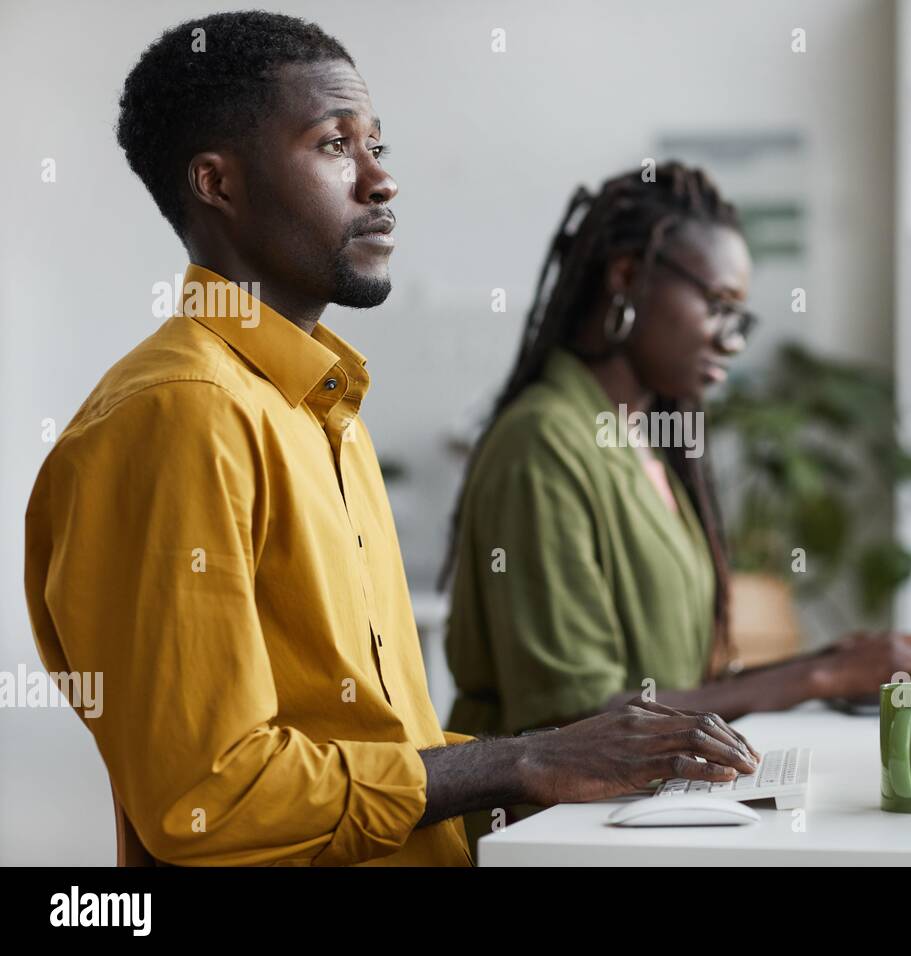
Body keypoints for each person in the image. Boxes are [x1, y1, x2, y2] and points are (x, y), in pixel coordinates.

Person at [23, 11, 757, 868]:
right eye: (337, 145)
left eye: (380, 147)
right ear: (217, 184)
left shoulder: (324, 412)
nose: (382, 182)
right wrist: (522, 758)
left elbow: (377, 742)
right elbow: (209, 796)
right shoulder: (175, 416)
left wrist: (565, 761)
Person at [443, 163, 911, 738]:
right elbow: (571, 718)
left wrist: (827, 663)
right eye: (717, 305)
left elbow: (668, 680)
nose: (731, 341)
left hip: (638, 809)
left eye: (740, 318)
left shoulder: (642, 444)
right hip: (539, 822)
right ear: (628, 275)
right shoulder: (542, 446)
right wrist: (820, 677)